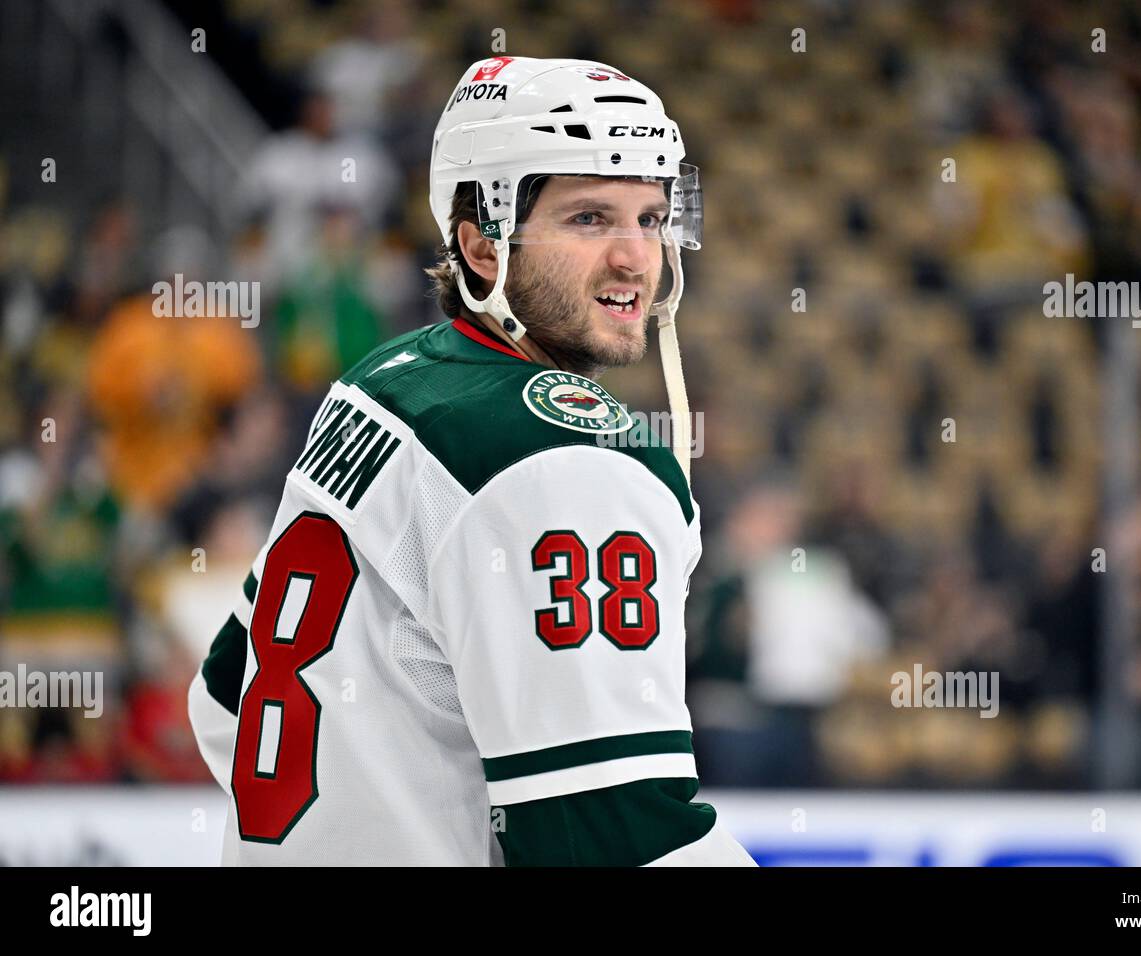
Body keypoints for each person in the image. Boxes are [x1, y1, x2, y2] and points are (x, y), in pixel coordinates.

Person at [188, 56, 754, 866]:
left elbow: (223, 706)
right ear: (482, 246)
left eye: (652, 216)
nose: (637, 258)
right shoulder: (569, 456)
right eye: (590, 219)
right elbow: (612, 837)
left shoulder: (382, 381)